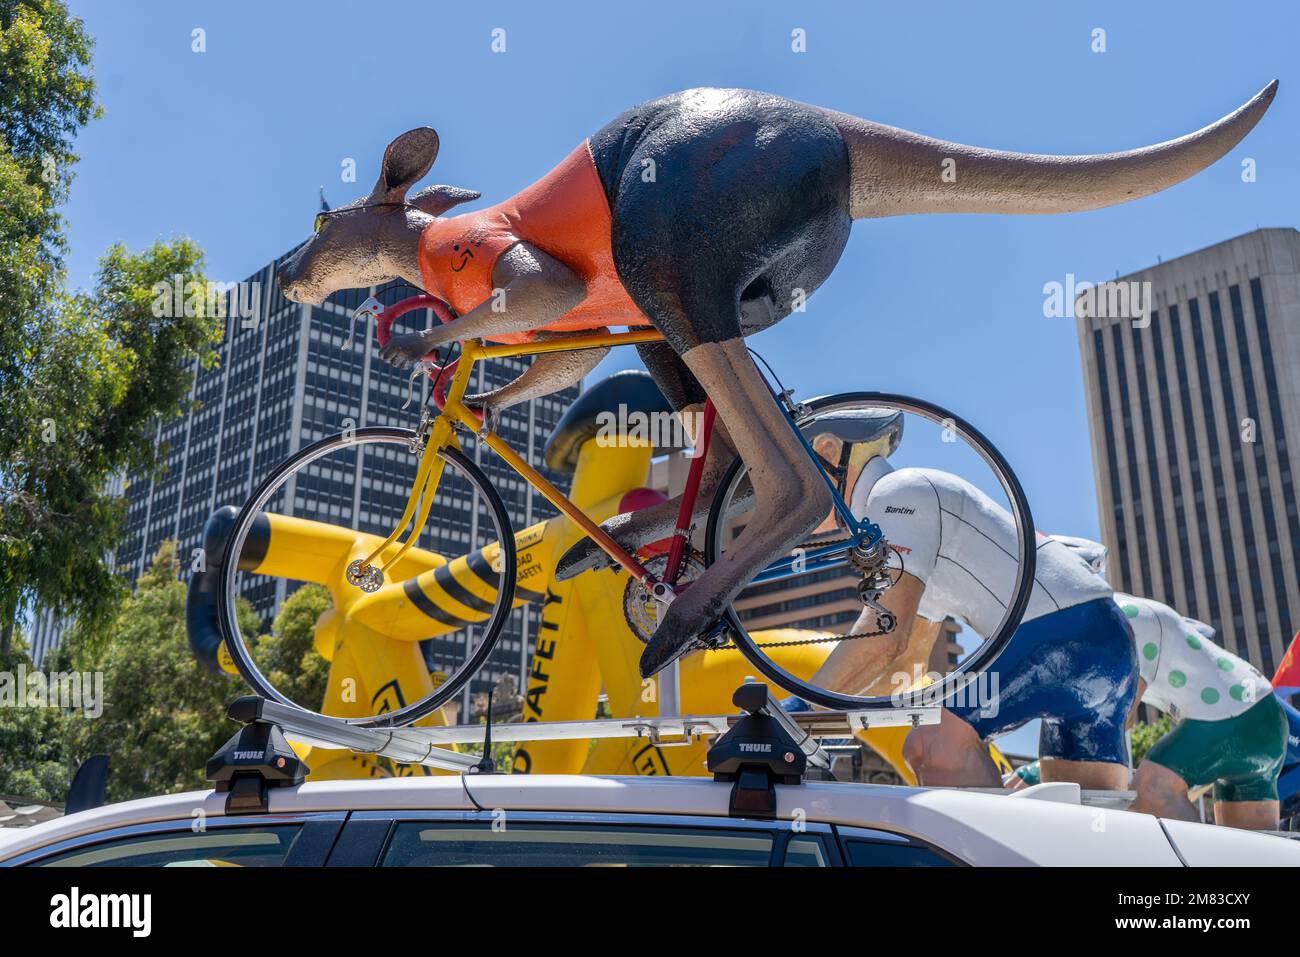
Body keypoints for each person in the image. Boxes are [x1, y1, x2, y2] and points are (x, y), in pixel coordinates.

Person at [795, 412, 1139, 790]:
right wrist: (840, 712)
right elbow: (906, 668)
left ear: (827, 448)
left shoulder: (894, 494)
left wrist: (802, 707)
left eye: (795, 472)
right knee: (1085, 820)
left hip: (1054, 633)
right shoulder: (910, 509)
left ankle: (978, 852)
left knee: (932, 747)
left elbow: (885, 635)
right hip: (1108, 643)